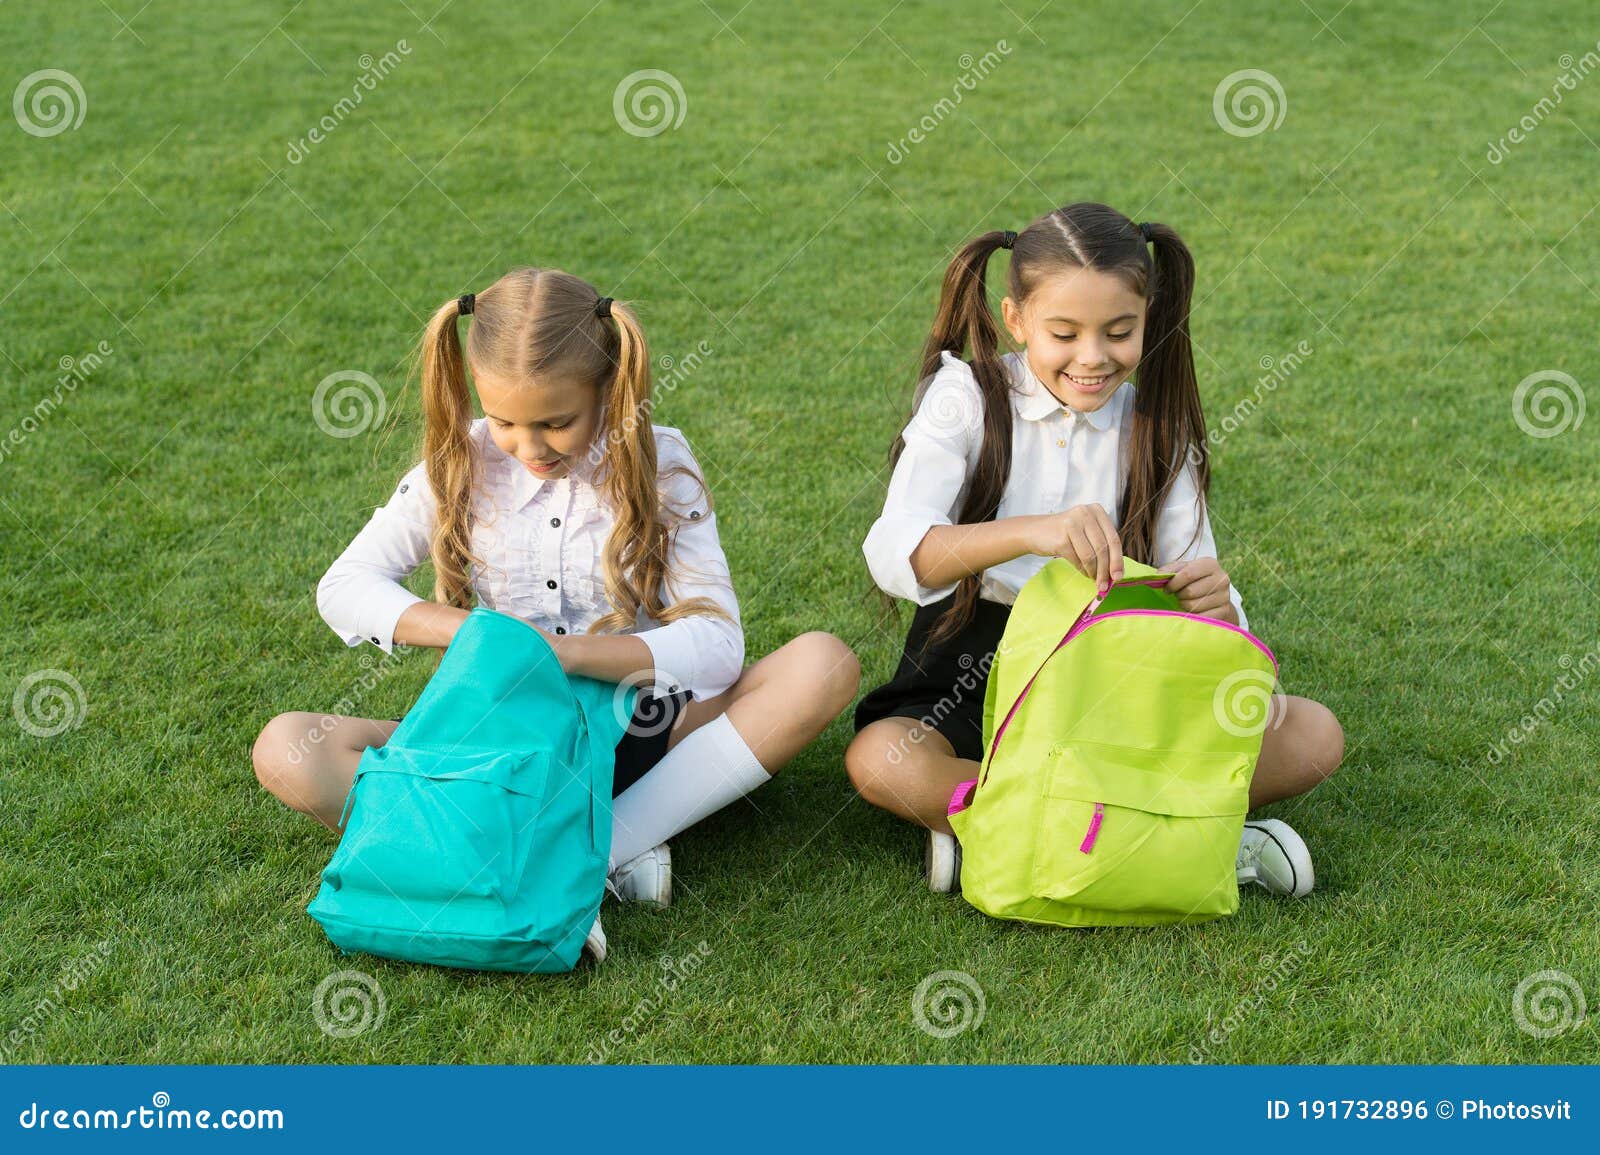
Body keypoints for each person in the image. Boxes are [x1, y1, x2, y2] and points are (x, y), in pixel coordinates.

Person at [846, 203, 1344, 898]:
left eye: (1118, 332)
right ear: (1016, 319)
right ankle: (1178, 834)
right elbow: (897, 552)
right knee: (880, 759)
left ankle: (997, 830)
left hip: (1111, 665)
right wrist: (1033, 531)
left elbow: (1210, 618)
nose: (1092, 357)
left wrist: (1218, 605)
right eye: (1064, 333)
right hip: (977, 655)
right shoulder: (967, 396)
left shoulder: (1159, 430)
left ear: (1147, 320)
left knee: (1312, 734)